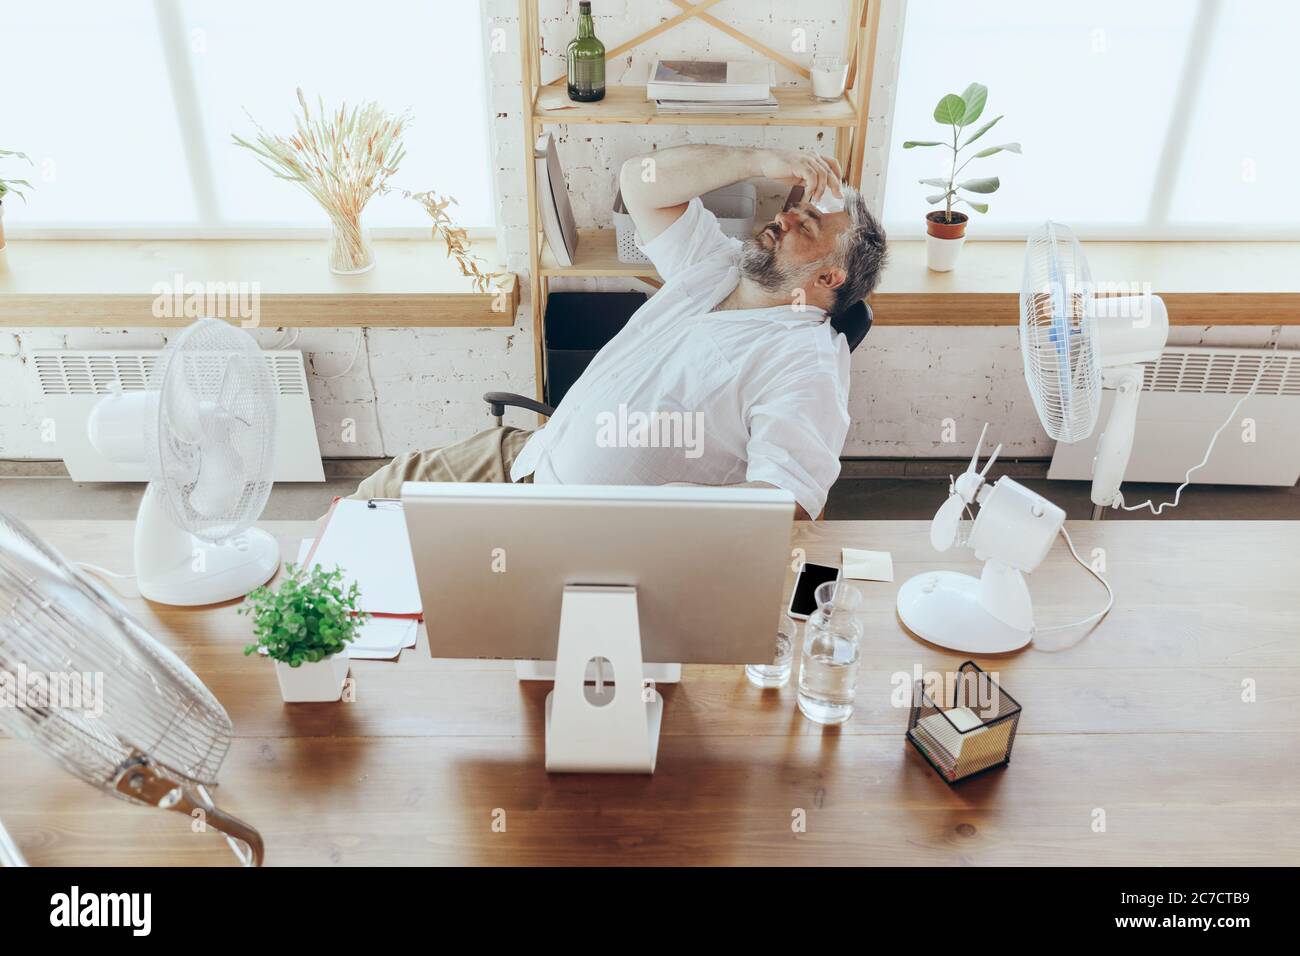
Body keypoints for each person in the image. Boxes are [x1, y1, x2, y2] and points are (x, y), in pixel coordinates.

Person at [350, 144, 887, 519]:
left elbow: (785, 498)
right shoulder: (718, 264)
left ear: (828, 277)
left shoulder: (805, 362)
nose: (784, 218)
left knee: (411, 575)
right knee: (373, 499)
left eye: (806, 226)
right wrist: (759, 161)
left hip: (579, 527)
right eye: (795, 209)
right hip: (530, 458)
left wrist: (650, 515)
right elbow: (641, 183)